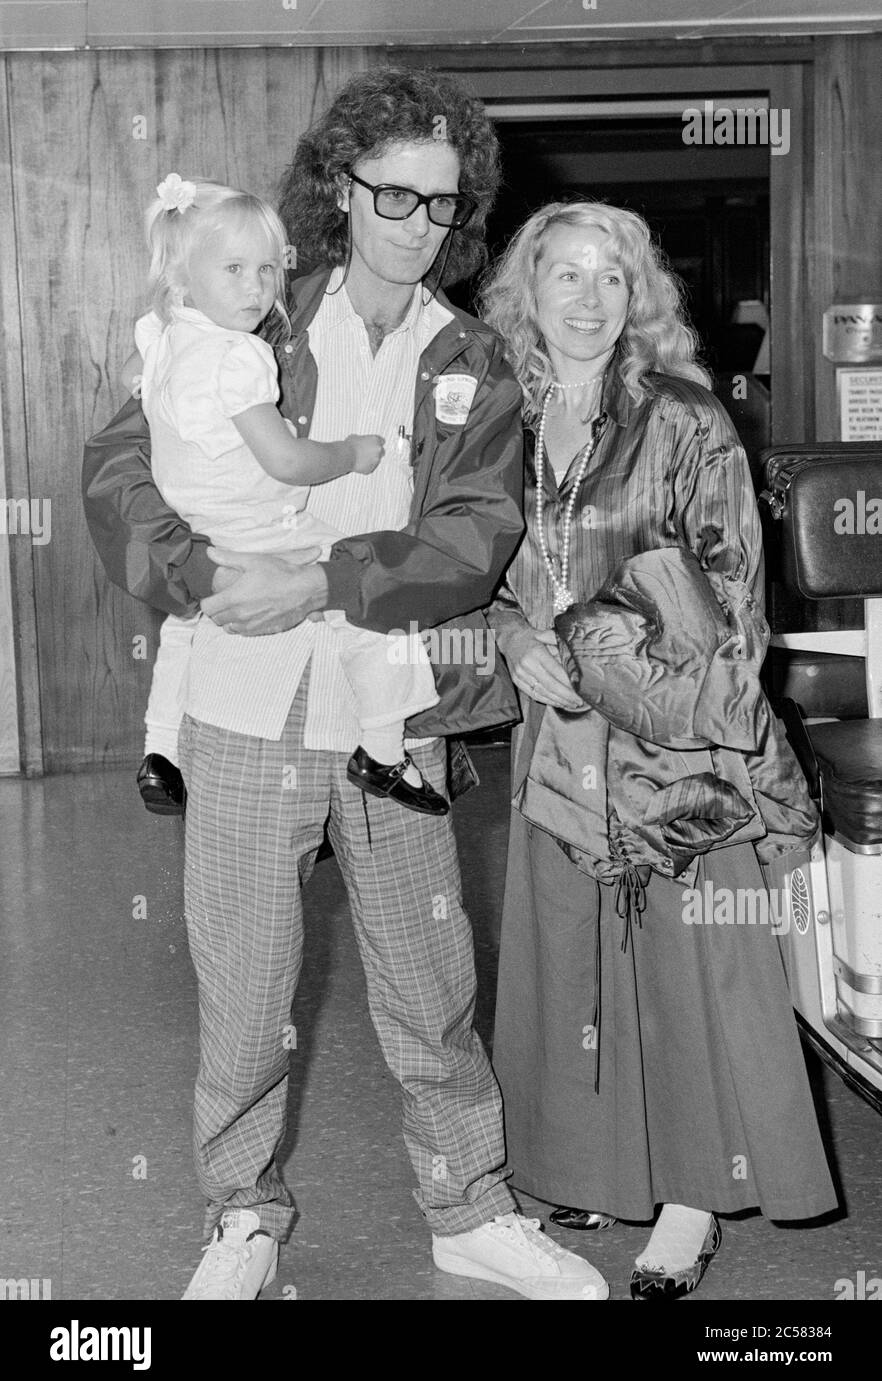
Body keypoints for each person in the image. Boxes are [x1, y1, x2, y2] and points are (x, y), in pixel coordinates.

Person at [82, 68, 608, 1301]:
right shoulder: (250, 309)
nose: (416, 223)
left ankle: (469, 1208)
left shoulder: (471, 354)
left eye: (441, 203)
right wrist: (209, 571)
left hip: (398, 710)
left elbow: (474, 538)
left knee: (432, 982)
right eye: (391, 194)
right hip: (247, 704)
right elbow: (120, 466)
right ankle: (241, 1220)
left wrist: (313, 579)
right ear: (340, 188)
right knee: (248, 979)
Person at [481, 200, 837, 1299]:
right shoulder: (497, 415)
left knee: (693, 968)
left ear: (641, 299)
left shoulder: (686, 420)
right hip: (555, 743)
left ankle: (694, 1197)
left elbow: (732, 604)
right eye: (567, 277)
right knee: (576, 958)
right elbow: (465, 561)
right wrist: (506, 637)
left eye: (613, 278)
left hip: (678, 734)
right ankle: (601, 1165)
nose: (590, 299)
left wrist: (595, 657)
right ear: (526, 298)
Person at [125, 172, 446, 819]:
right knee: (368, 596)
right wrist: (352, 454)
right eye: (235, 269)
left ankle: (160, 751)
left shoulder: (159, 339)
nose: (256, 287)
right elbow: (287, 459)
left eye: (268, 270)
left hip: (200, 528)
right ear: (184, 277)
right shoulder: (240, 355)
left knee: (183, 625)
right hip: (258, 524)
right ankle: (384, 753)